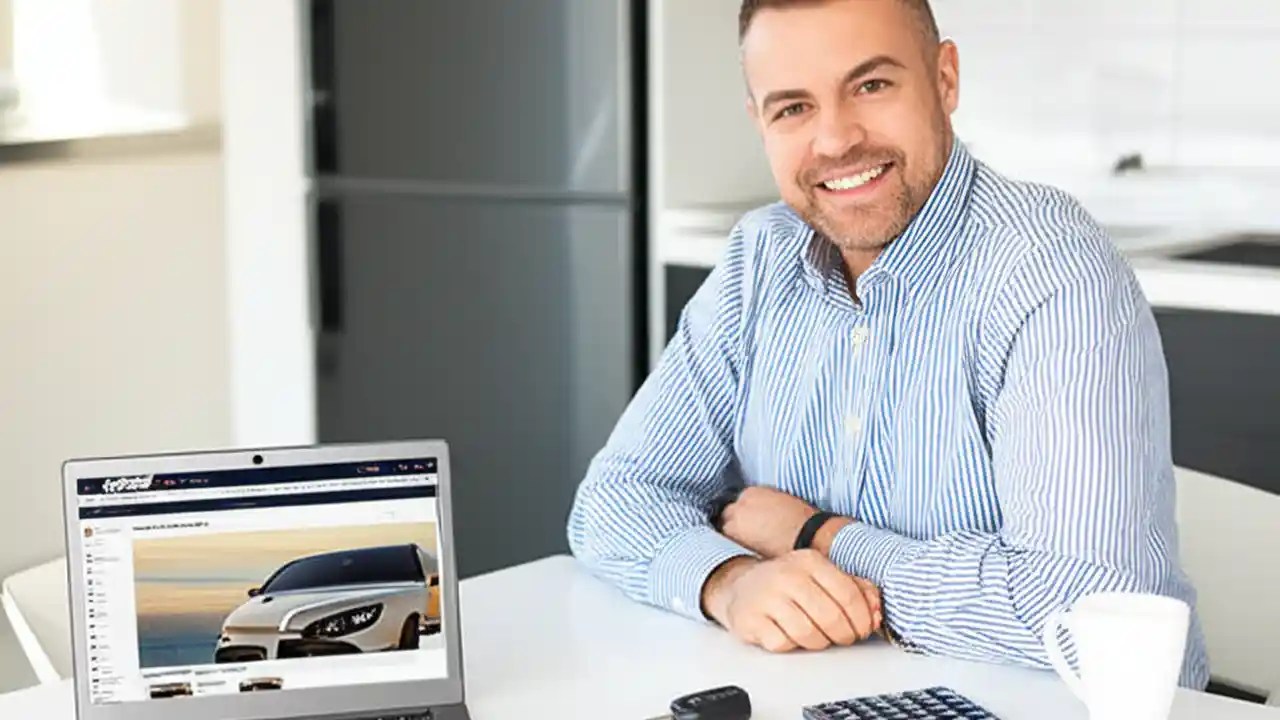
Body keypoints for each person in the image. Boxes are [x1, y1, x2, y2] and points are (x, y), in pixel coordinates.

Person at [567, 0, 1208, 689]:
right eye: (793, 108)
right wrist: (729, 580)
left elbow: (1089, 617)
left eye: (871, 85)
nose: (837, 140)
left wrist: (819, 536)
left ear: (945, 78)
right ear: (760, 123)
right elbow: (617, 498)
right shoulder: (758, 259)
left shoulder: (1047, 268)